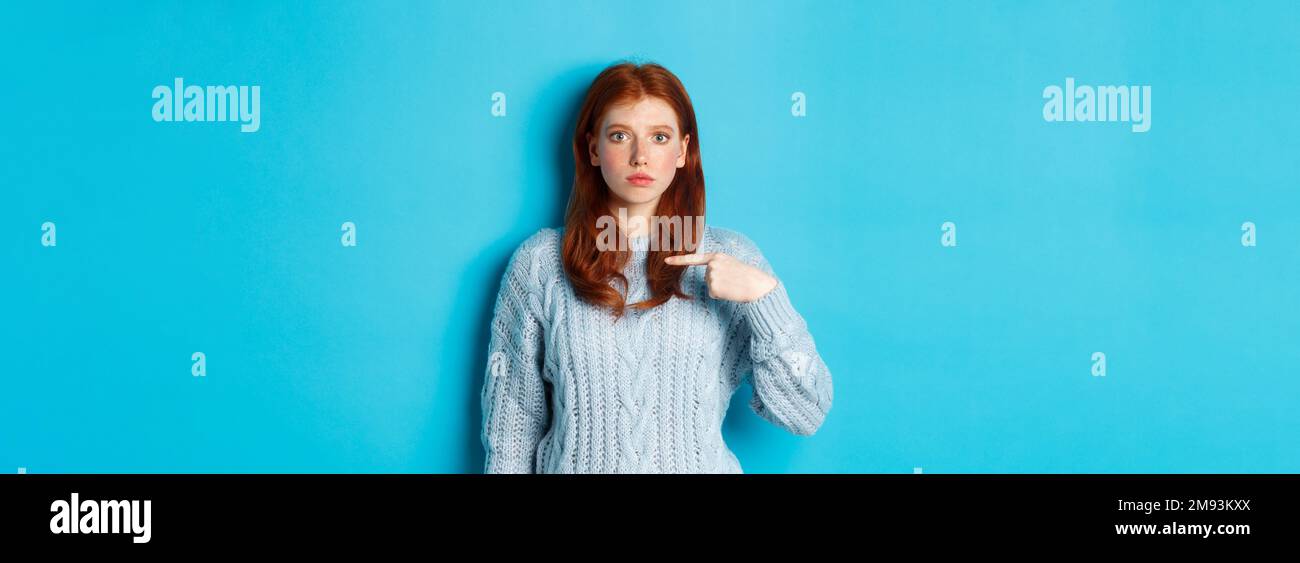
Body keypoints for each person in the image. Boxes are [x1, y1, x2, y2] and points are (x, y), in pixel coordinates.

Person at [480, 60, 833, 473]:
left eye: (659, 137)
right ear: (593, 148)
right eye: (620, 136)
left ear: (683, 151)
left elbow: (805, 412)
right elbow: (511, 429)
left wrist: (765, 299)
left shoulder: (730, 256)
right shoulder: (540, 264)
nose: (640, 157)